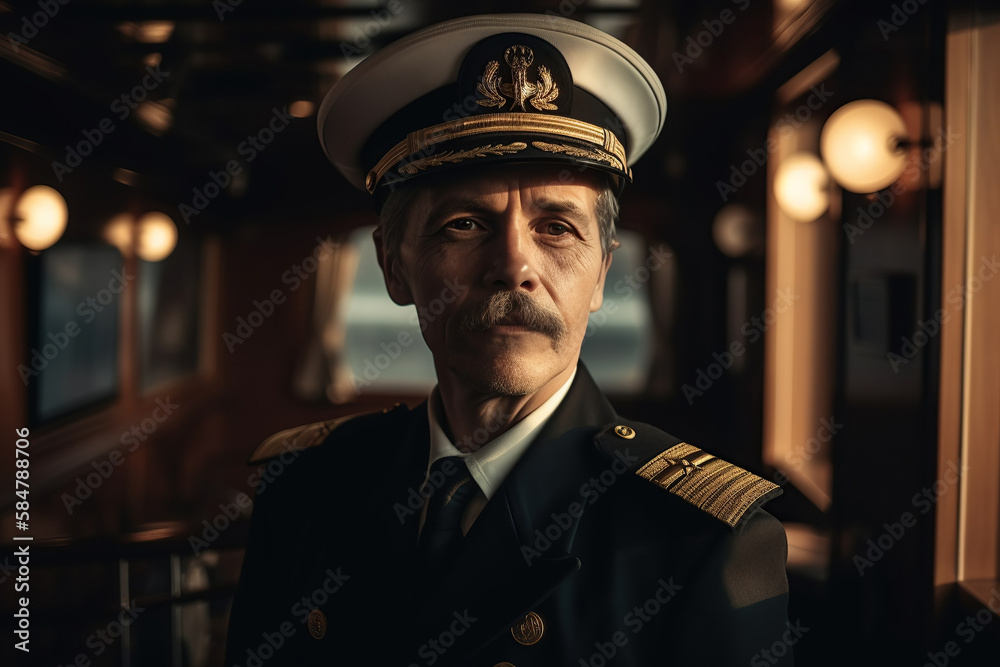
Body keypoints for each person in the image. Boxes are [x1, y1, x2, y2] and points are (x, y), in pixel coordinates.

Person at [225, 13, 791, 666]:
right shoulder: (306, 488)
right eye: (465, 224)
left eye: (556, 227)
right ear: (394, 266)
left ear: (602, 272)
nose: (514, 265)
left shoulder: (703, 540)